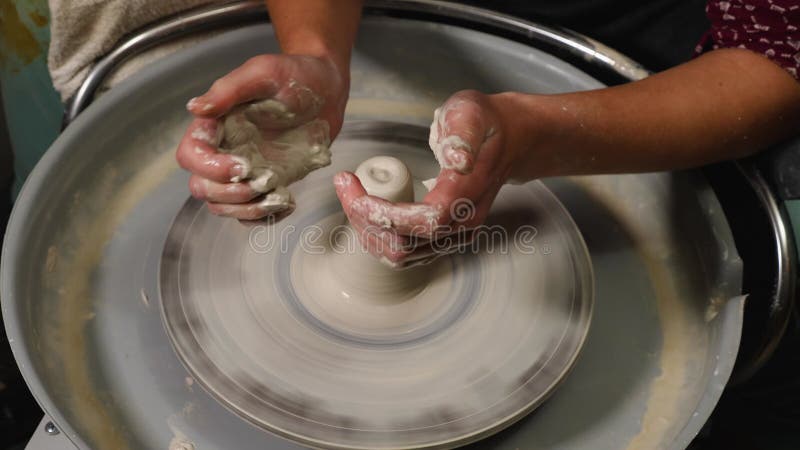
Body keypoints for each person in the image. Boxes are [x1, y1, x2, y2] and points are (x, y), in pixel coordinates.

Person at [175, 0, 800, 266]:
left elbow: (779, 59)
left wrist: (533, 136)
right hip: (408, 24)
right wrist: (317, 54)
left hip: (663, 66)